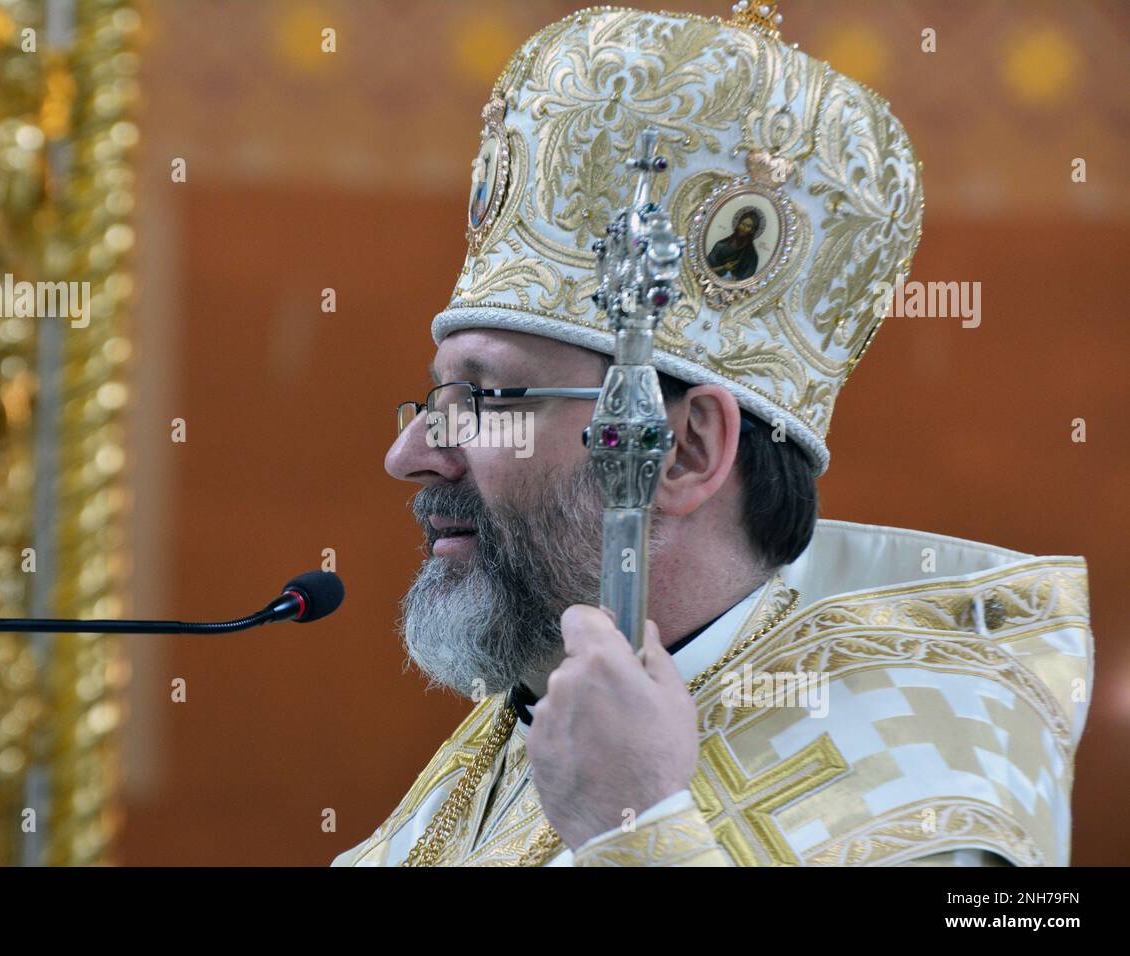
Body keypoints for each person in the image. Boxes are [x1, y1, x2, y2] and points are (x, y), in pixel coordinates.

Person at [332, 3, 1092, 867]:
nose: (411, 454)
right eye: (435, 399)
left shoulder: (932, 790)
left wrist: (637, 832)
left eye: (488, 395)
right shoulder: (486, 766)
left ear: (684, 451)